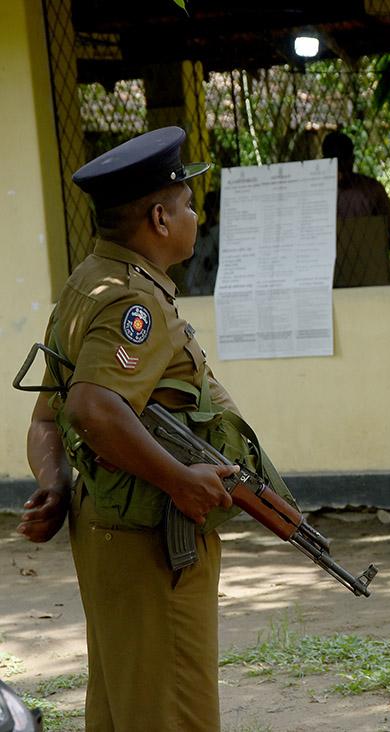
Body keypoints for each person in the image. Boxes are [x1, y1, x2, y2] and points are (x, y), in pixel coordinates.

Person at [16, 127, 263, 730]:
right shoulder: (135, 305)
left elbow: (45, 417)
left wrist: (54, 482)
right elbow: (92, 409)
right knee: (172, 708)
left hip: (104, 529)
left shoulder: (85, 285)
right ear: (158, 217)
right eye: (185, 203)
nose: (194, 213)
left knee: (127, 701)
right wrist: (180, 479)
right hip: (153, 539)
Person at [321, 130, 390, 287]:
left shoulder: (371, 190)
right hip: (333, 273)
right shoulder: (316, 192)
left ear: (351, 160)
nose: (339, 170)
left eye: (342, 161)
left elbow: (389, 235)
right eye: (335, 162)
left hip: (366, 271)